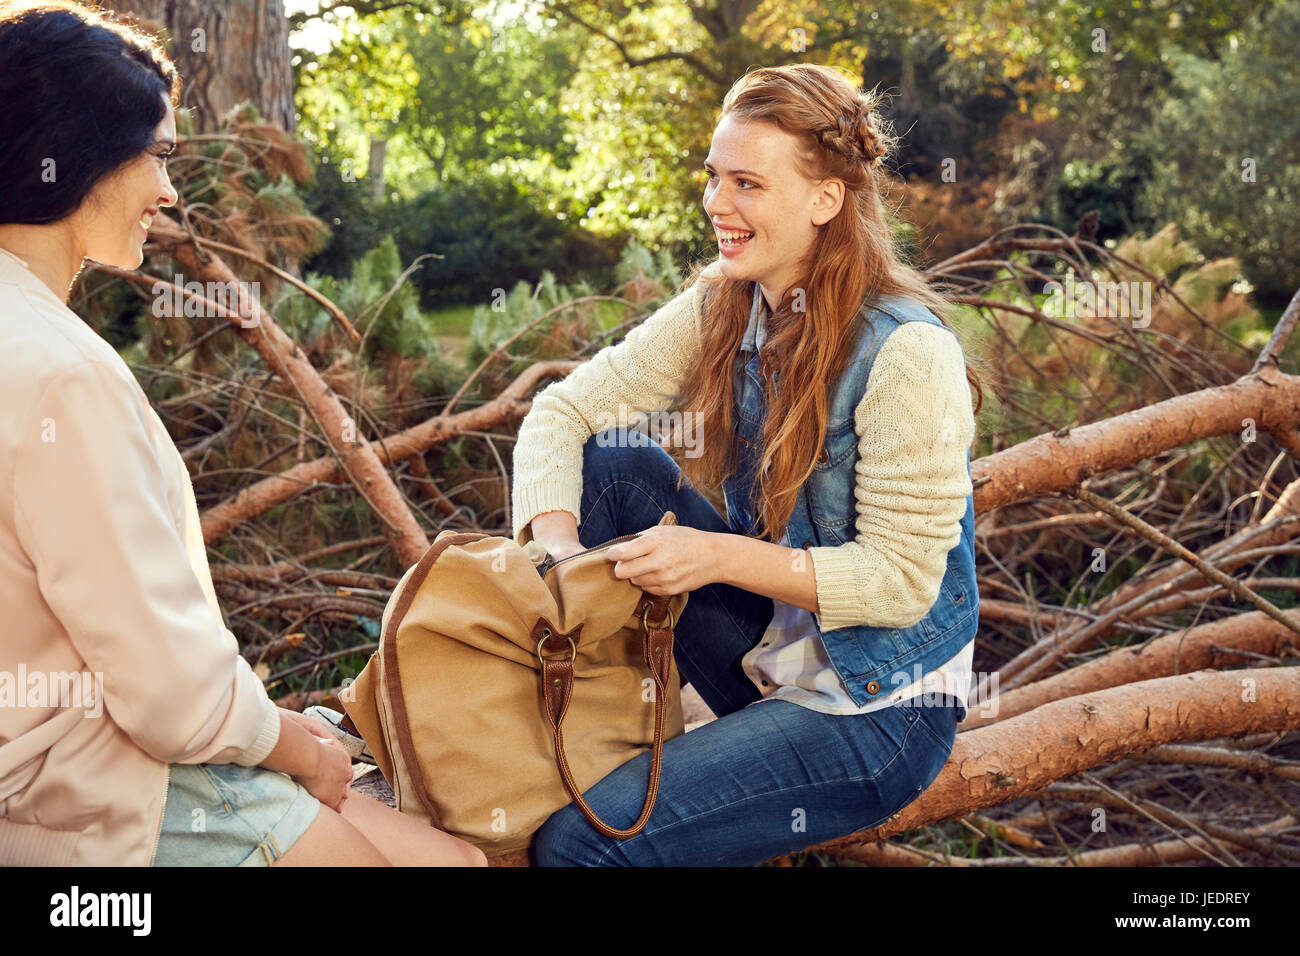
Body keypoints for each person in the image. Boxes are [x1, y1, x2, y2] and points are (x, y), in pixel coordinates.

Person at [0, 0, 485, 866]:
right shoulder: (63, 375)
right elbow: (165, 693)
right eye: (156, 155)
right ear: (76, 154)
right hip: (98, 786)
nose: (170, 189)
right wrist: (300, 748)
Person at [512, 63, 984, 866]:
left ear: (825, 200)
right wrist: (554, 555)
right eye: (712, 177)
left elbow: (903, 586)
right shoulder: (728, 302)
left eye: (747, 184)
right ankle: (590, 711)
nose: (716, 205)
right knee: (616, 464)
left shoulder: (908, 353)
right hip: (769, 646)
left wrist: (712, 556)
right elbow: (562, 411)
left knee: (577, 845)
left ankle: (656, 775)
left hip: (875, 708)